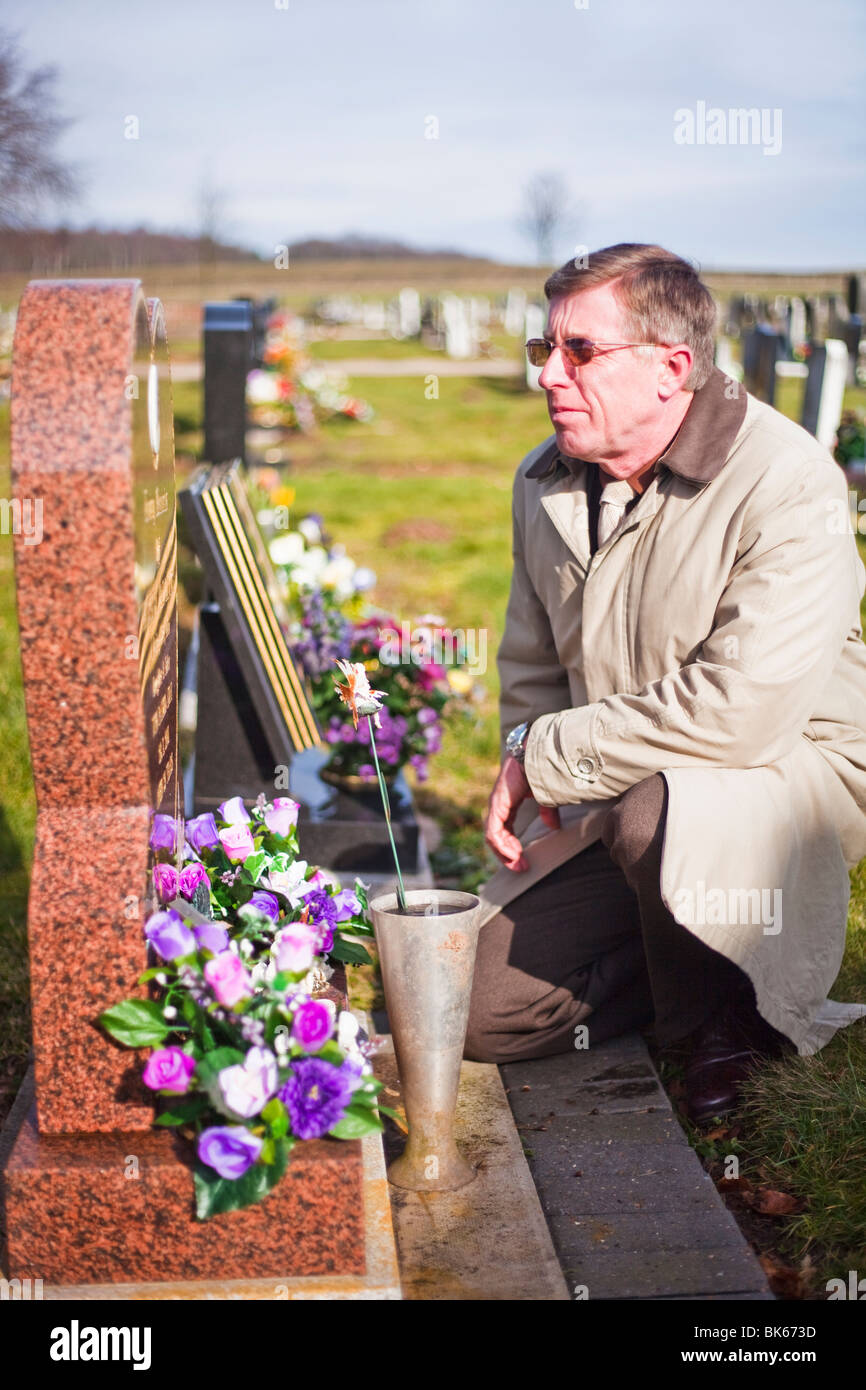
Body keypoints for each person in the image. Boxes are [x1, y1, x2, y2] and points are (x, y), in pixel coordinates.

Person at [464, 243, 866, 1124]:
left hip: (784, 779)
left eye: (581, 352)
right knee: (484, 1010)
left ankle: (739, 1016)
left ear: (671, 368)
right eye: (546, 349)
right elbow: (533, 669)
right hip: (613, 784)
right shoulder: (546, 483)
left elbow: (746, 713)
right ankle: (682, 951)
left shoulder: (789, 482)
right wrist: (540, 802)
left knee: (659, 810)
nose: (549, 377)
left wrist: (551, 753)